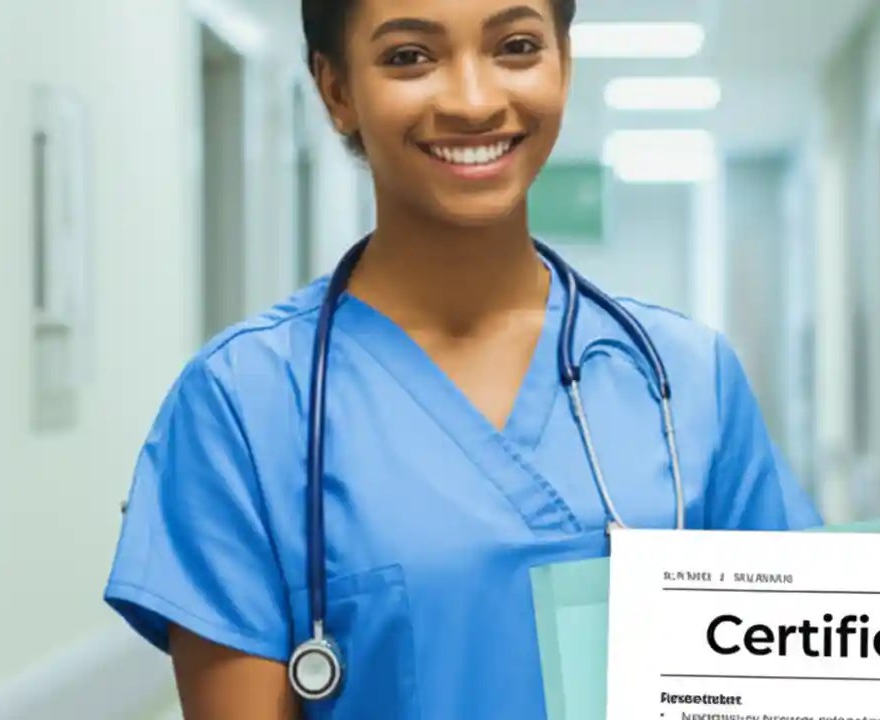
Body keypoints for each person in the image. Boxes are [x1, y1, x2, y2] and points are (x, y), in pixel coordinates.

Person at [102, 0, 823, 717]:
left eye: (515, 46)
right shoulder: (245, 404)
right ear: (337, 90)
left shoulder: (685, 382)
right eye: (410, 56)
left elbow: (805, 678)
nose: (475, 101)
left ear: (564, 63)